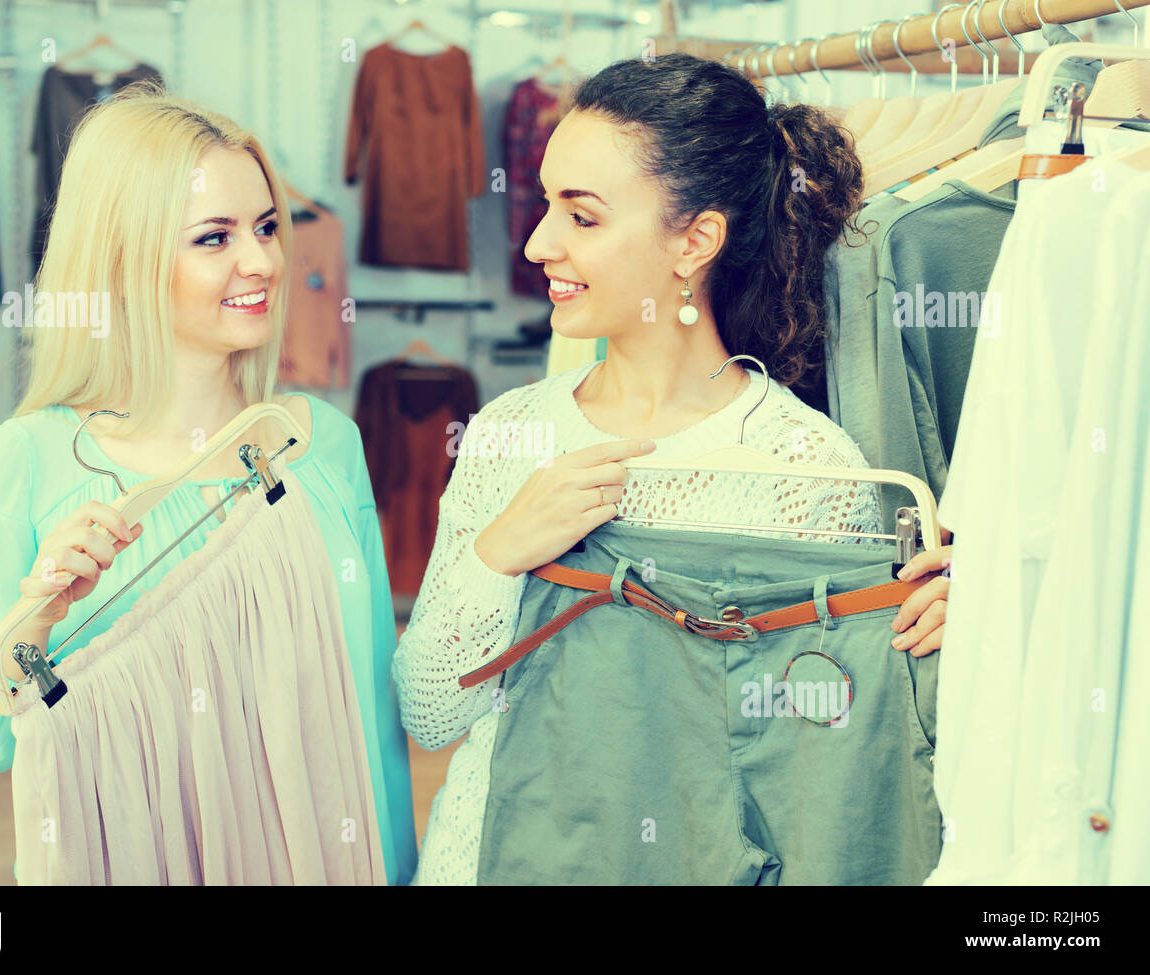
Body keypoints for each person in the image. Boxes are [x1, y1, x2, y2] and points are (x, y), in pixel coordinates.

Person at [393, 53, 951, 885]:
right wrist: (498, 551)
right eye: (546, 205)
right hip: (491, 856)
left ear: (695, 241)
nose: (539, 242)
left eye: (581, 217)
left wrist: (926, 636)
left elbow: (811, 754)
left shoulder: (802, 465)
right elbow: (431, 711)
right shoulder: (511, 433)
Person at [0, 83, 417, 885]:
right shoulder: (22, 467)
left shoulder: (320, 446)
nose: (261, 261)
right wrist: (37, 612)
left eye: (264, 227)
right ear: (123, 258)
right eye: (213, 237)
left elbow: (367, 721)